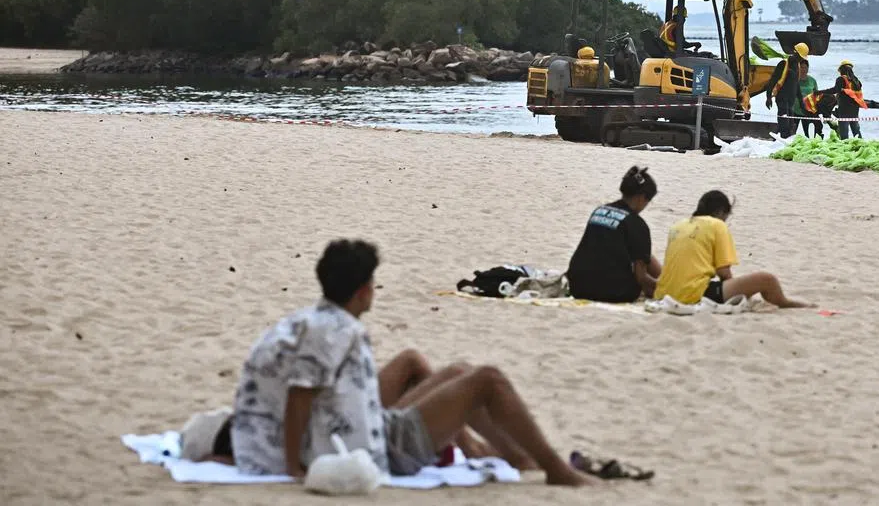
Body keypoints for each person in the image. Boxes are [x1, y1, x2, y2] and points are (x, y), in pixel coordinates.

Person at [229, 238, 593, 486]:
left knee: (454, 371)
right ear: (363, 291)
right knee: (488, 380)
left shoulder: (315, 319)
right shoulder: (335, 332)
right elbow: (300, 396)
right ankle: (556, 469)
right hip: (378, 448)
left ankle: (514, 457)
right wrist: (294, 468)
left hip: (359, 424)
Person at [653, 191, 813, 308]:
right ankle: (785, 303)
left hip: (663, 293)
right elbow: (724, 273)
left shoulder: (678, 226)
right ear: (720, 212)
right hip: (692, 294)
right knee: (767, 280)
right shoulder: (717, 225)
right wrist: (736, 292)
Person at [566, 166, 661, 303]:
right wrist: (663, 288)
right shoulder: (637, 224)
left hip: (577, 286)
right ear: (641, 198)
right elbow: (641, 278)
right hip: (611, 292)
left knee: (642, 252)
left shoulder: (600, 210)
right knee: (642, 254)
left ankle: (665, 276)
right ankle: (667, 278)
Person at [764, 42, 809, 138]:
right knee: (784, 125)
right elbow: (773, 80)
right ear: (795, 52)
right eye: (800, 56)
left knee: (791, 126)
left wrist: (801, 102)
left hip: (791, 101)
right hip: (782, 99)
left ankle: (781, 139)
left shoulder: (797, 66)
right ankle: (780, 141)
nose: (801, 59)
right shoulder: (783, 64)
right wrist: (768, 97)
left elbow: (796, 85)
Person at [831, 60, 867, 139]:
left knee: (844, 134)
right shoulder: (857, 81)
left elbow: (837, 91)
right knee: (856, 131)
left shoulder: (840, 79)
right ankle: (860, 145)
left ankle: (845, 147)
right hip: (854, 110)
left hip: (844, 110)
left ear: (841, 70)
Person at [793, 58, 824, 137]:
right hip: (794, 110)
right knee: (792, 133)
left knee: (808, 134)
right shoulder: (793, 80)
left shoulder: (812, 80)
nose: (803, 69)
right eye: (801, 67)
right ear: (798, 68)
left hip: (808, 111)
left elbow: (817, 96)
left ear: (808, 68)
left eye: (805, 67)